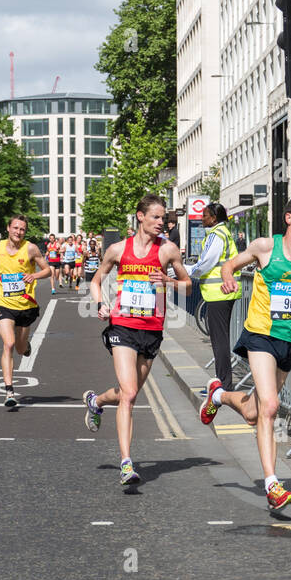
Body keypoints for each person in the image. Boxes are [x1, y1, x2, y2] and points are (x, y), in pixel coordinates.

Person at [199, 192, 291, 512]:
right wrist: (227, 279)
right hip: (260, 335)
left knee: (255, 412)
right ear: (289, 218)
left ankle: (218, 396)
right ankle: (272, 483)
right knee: (270, 405)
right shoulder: (266, 247)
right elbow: (230, 265)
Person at [82, 194, 191, 486]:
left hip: (152, 328)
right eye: (156, 217)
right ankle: (127, 463)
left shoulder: (169, 251)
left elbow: (188, 286)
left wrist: (168, 282)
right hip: (123, 325)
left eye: (164, 218)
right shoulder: (118, 250)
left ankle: (96, 400)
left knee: (127, 393)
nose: (162, 222)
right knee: (129, 394)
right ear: (140, 216)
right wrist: (100, 303)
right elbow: (95, 279)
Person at [0, 214, 51, 408]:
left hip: (25, 306)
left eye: (22, 229)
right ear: (8, 228)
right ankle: (9, 391)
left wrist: (34, 275)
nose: (18, 232)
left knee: (21, 348)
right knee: (9, 343)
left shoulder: (30, 248)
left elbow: (48, 270)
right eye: (15, 228)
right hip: (3, 303)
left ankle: (26, 346)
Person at [188, 203, 240, 395]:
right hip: (223, 292)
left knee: (219, 341)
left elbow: (206, 263)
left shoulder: (215, 235)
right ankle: (222, 382)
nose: (202, 219)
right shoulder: (224, 232)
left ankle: (223, 385)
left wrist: (185, 272)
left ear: (214, 218)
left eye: (205, 215)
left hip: (219, 292)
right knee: (221, 339)